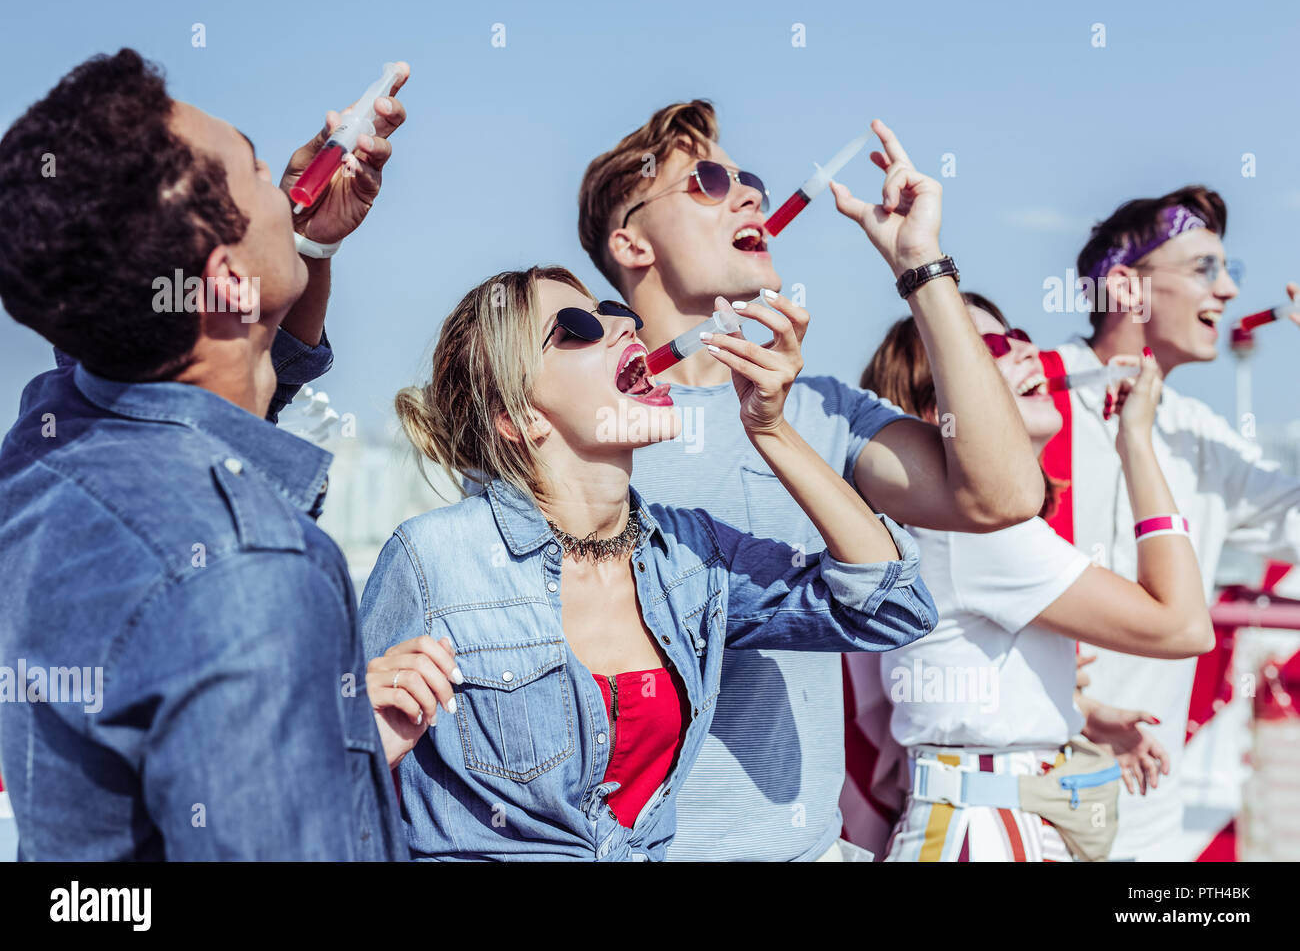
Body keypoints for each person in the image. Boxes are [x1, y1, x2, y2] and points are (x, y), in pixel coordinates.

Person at [575, 102, 1044, 860]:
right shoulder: (581, 418)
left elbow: (1004, 495)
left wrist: (919, 267)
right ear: (629, 242)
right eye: (708, 181)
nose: (750, 195)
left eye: (750, 181)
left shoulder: (819, 408)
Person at [358, 266, 937, 860]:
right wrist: (364, 736)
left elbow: (889, 608)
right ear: (519, 416)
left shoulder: (691, 558)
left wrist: (771, 430)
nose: (621, 323)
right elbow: (337, 780)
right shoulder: (434, 557)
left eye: (615, 310)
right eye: (577, 327)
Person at [0, 49, 409, 859]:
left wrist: (301, 253)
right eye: (258, 168)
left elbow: (179, 402)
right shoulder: (248, 568)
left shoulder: (43, 451)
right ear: (224, 281)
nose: (285, 176)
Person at [857, 294, 1214, 860]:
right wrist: (1137, 442)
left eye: (1017, 333)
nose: (1025, 348)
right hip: (985, 829)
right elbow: (1185, 626)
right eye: (988, 348)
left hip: (987, 818)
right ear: (937, 414)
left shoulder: (954, 530)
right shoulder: (981, 534)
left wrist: (1078, 715)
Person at [1045, 186, 1300, 860]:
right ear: (1127, 288)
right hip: (1021, 810)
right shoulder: (1026, 401)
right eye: (1203, 270)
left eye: (1229, 272)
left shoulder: (1199, 435)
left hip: (1149, 821)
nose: (1227, 293)